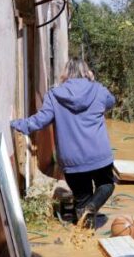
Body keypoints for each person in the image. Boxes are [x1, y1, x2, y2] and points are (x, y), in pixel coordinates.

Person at [11, 58, 116, 226]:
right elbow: (111, 102)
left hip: (72, 159)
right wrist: (94, 82)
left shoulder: (54, 95)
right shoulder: (98, 90)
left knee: (81, 198)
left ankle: (85, 218)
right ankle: (92, 208)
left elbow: (40, 121)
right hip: (99, 155)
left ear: (66, 73)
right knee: (106, 185)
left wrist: (18, 124)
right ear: (86, 72)